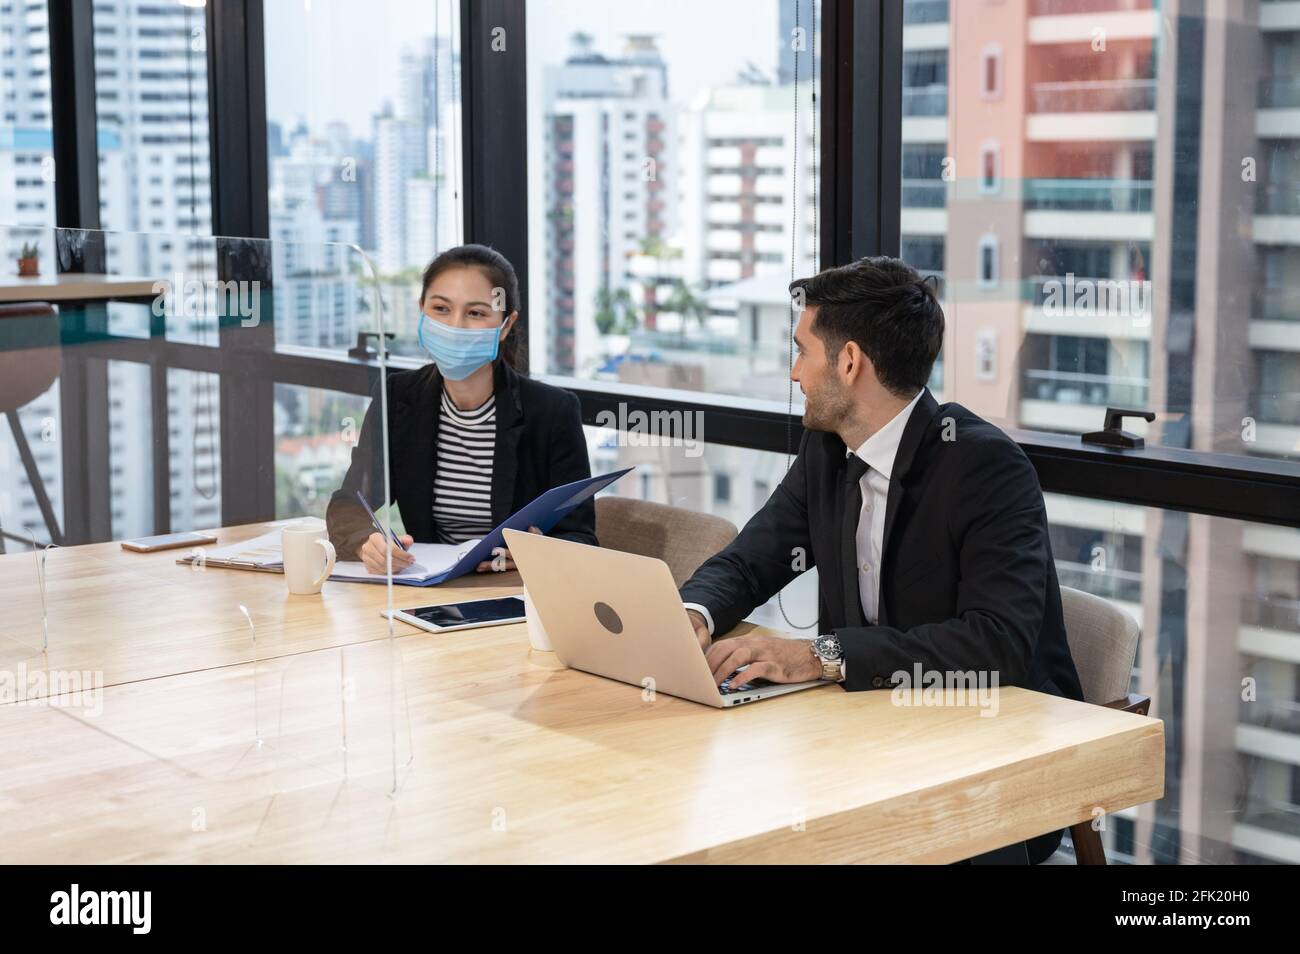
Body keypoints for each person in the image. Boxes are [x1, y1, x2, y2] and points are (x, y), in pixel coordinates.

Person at [677, 255, 1084, 864]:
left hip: (988, 759)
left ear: (848, 362)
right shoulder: (829, 449)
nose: (795, 373)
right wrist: (693, 616)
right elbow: (751, 560)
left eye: (802, 352)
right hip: (863, 738)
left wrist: (822, 655)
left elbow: (997, 643)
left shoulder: (984, 468)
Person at [327, 244, 596, 573]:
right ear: (421, 308)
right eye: (441, 308)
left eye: (476, 313)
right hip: (426, 587)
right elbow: (349, 503)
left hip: (514, 594)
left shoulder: (553, 412)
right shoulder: (398, 397)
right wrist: (366, 540)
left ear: (506, 324)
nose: (455, 326)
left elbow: (581, 538)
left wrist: (537, 553)